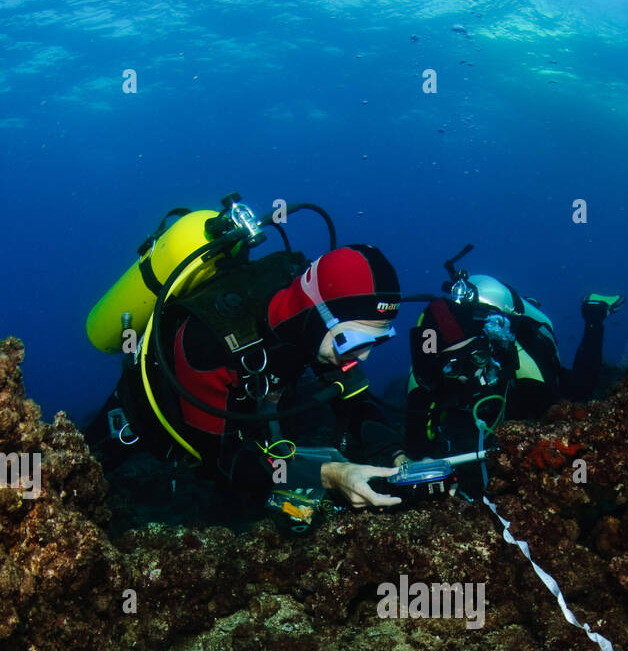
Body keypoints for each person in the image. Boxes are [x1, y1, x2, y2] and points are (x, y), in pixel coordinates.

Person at [85, 197, 409, 528]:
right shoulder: (209, 339)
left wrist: (399, 457)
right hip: (147, 421)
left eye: (378, 340)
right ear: (316, 314)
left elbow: (355, 401)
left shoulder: (313, 328)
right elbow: (219, 462)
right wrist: (330, 474)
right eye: (353, 340)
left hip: (243, 415)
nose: (364, 355)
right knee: (70, 470)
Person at [404, 248, 623, 472]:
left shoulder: (513, 353)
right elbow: (416, 442)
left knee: (578, 392)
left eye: (476, 359)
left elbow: (556, 418)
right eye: (451, 366)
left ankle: (594, 313)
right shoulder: (426, 371)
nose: (464, 374)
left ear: (489, 348)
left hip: (521, 342)